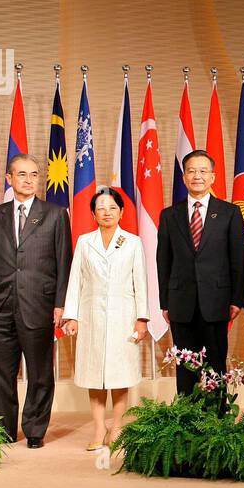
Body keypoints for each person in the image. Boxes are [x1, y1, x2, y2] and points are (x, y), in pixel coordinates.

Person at [0, 153, 72, 447]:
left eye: (33, 175)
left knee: (40, 373)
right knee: (2, 373)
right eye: (21, 174)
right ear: (9, 179)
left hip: (39, 305)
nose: (28, 180)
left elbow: (63, 264)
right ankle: (4, 429)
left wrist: (60, 305)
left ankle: (34, 430)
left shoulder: (55, 214)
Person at [62, 188, 148, 450]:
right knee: (94, 374)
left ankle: (118, 425)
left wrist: (142, 318)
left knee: (120, 374)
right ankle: (99, 427)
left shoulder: (133, 242)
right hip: (91, 318)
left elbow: (140, 282)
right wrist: (71, 316)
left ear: (121, 211)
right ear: (93, 213)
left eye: (112, 207)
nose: (107, 212)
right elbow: (75, 281)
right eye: (101, 208)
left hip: (124, 316)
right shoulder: (85, 242)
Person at [157, 150, 244, 399]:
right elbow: (163, 262)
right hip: (181, 302)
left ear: (213, 177)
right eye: (191, 171)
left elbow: (238, 260)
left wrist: (237, 299)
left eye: (203, 171)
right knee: (186, 367)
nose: (197, 176)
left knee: (216, 364)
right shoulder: (169, 215)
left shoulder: (230, 213)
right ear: (184, 177)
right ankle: (187, 420)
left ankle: (217, 422)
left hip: (217, 301)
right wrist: (165, 302)